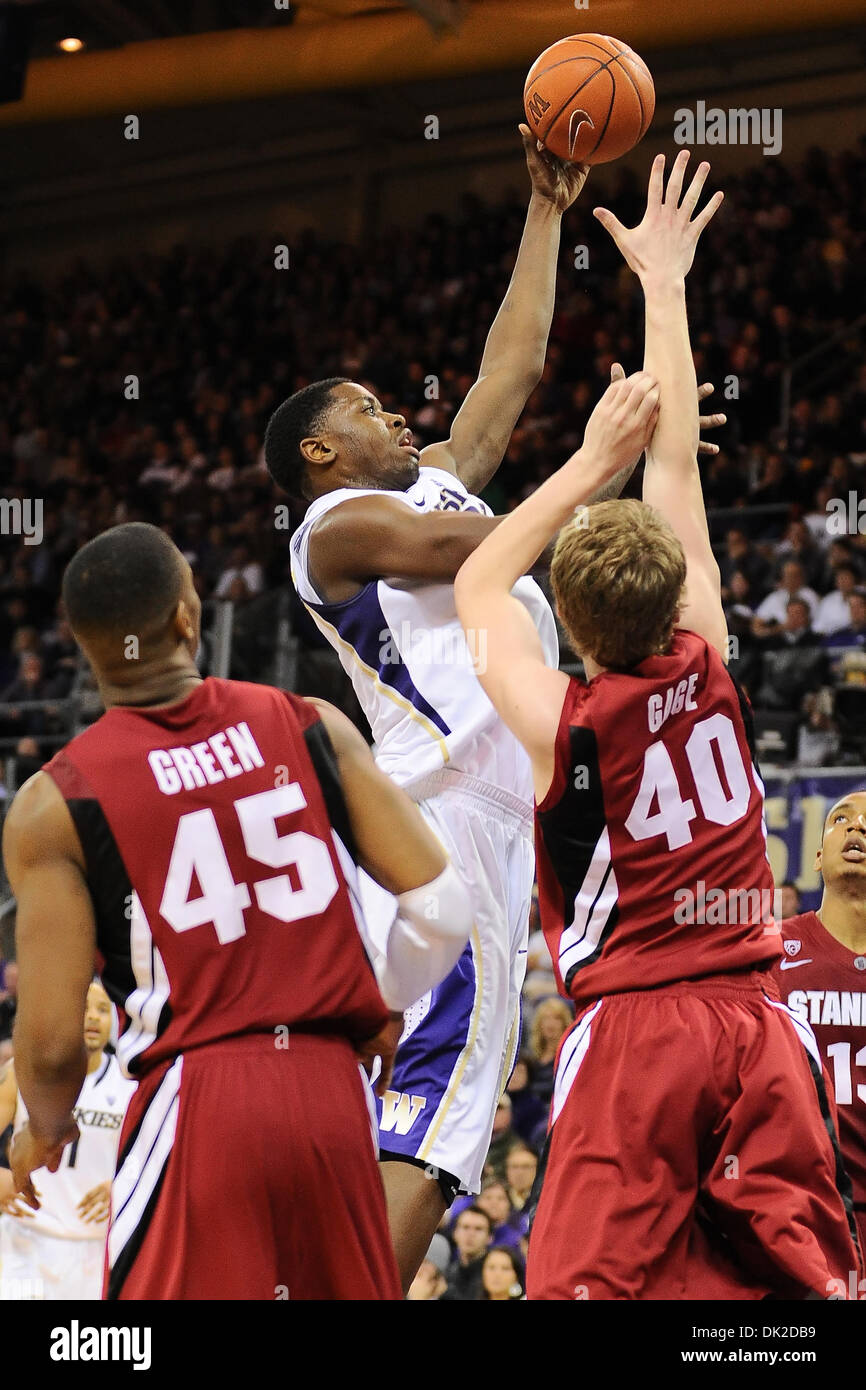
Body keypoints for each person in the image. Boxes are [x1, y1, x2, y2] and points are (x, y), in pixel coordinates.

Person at [271, 137, 726, 1292]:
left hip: (494, 800)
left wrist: (542, 207)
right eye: (369, 411)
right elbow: (467, 546)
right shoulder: (330, 531)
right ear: (323, 451)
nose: (397, 416)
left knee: (431, 1090)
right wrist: (604, 474)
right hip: (445, 811)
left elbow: (510, 364)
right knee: (447, 1109)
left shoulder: (424, 475)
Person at [454, 151, 862, 1299]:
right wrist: (667, 282)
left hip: (639, 1029)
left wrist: (588, 459)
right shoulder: (711, 656)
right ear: (675, 592)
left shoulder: (564, 719)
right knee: (777, 1298)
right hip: (756, 1020)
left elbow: (484, 580)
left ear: (574, 627)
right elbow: (679, 457)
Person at [3, 523, 473, 1301]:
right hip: (331, 1089)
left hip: (200, 1097)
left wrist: (45, 1136)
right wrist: (377, 1005)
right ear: (190, 618)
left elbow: (52, 1045)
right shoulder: (310, 722)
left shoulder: (54, 802)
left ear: (84, 646)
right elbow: (443, 906)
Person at [771, 791, 866, 1254]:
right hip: (801, 1214)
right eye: (841, 819)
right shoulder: (767, 953)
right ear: (816, 856)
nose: (857, 828)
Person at [0, 980, 135, 1299]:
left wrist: (124, 1182)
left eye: (103, 1010)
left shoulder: (132, 1085)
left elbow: (162, 1161)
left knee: (80, 1348)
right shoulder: (23, 1071)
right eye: (83, 1008)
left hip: (97, 1249)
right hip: (25, 1242)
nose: (92, 1017)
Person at [441, 1205, 492, 1301]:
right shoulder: (446, 1274)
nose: (470, 1234)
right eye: (465, 1227)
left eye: (478, 1229)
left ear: (489, 1237)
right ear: (455, 1233)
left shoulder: (495, 1273)